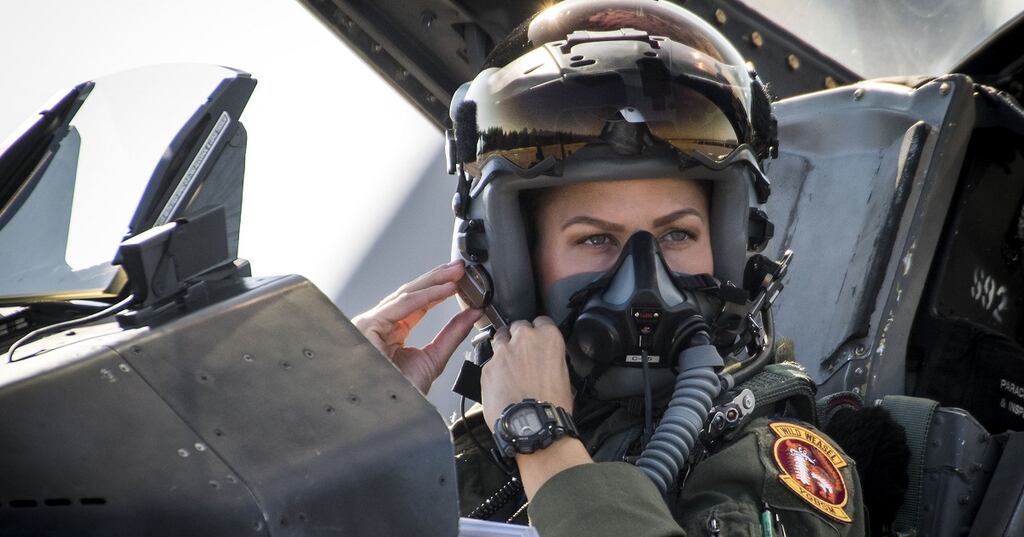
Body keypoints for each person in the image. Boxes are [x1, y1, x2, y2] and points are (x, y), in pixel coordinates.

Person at [354, 1, 866, 535]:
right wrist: (361, 429)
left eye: (676, 234)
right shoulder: (477, 460)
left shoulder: (768, 468)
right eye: (595, 238)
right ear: (512, 266)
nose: (643, 278)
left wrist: (540, 436)